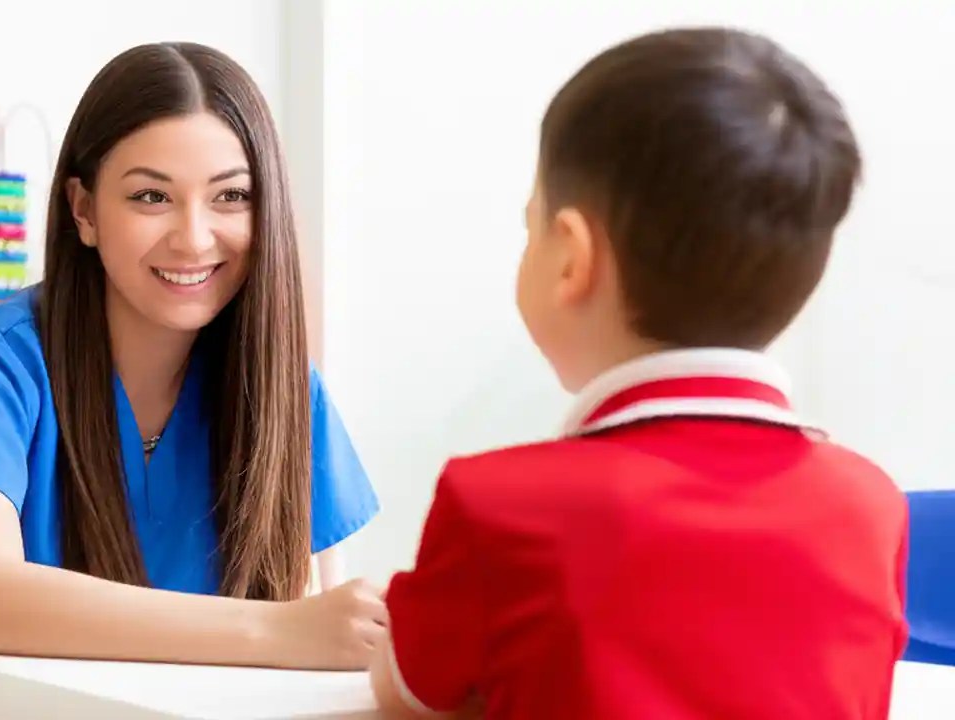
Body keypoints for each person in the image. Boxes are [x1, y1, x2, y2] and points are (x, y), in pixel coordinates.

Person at [0, 42, 382, 720]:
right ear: (83, 210)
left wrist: (317, 636)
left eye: (231, 196)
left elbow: (317, 648)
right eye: (151, 196)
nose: (195, 238)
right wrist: (281, 632)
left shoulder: (287, 391)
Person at [371, 26, 908, 719]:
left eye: (530, 225)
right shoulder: (870, 507)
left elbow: (406, 692)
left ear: (571, 256)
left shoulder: (497, 506)